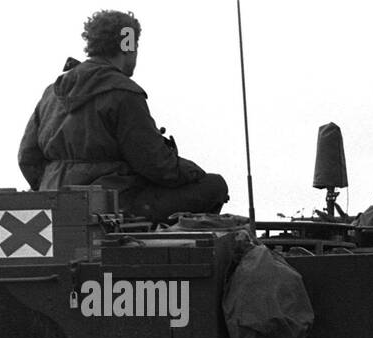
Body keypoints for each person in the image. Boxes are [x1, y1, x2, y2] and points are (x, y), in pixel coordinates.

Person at [17, 10, 228, 222]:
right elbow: (156, 165)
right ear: (128, 46)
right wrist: (192, 172)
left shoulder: (52, 93)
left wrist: (55, 191)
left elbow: (27, 158)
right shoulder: (123, 93)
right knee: (214, 186)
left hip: (57, 202)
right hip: (114, 204)